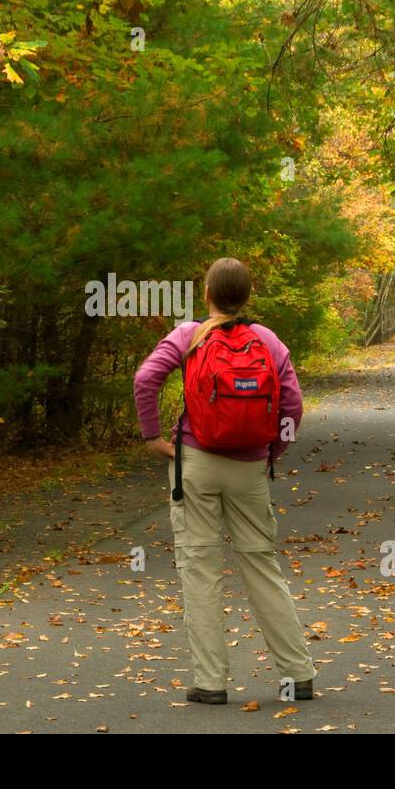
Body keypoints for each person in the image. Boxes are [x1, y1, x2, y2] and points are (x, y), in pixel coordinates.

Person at [133, 257, 316, 704]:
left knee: (200, 568)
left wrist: (153, 436)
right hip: (249, 468)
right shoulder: (268, 340)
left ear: (208, 294)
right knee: (261, 565)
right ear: (247, 296)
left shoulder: (187, 335)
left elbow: (145, 379)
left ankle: (211, 683)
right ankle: (298, 674)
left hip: (194, 460)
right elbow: (292, 405)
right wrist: (271, 451)